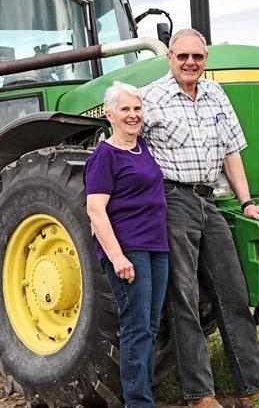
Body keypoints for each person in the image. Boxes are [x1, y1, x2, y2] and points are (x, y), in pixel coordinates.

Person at [141, 28, 259, 408]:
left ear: (205, 60)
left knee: (233, 292)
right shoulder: (151, 97)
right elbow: (127, 143)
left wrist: (247, 203)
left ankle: (255, 385)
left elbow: (232, 152)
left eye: (197, 57)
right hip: (172, 199)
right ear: (170, 58)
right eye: (182, 56)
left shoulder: (216, 93)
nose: (190, 63)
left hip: (209, 201)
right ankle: (200, 395)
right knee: (183, 298)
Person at [85, 81, 170, 408]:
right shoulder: (104, 156)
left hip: (156, 246)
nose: (133, 115)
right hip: (127, 249)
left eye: (137, 109)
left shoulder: (142, 147)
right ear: (109, 115)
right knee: (136, 326)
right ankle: (138, 403)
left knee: (149, 325)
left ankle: (142, 396)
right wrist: (117, 256)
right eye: (125, 109)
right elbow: (95, 210)